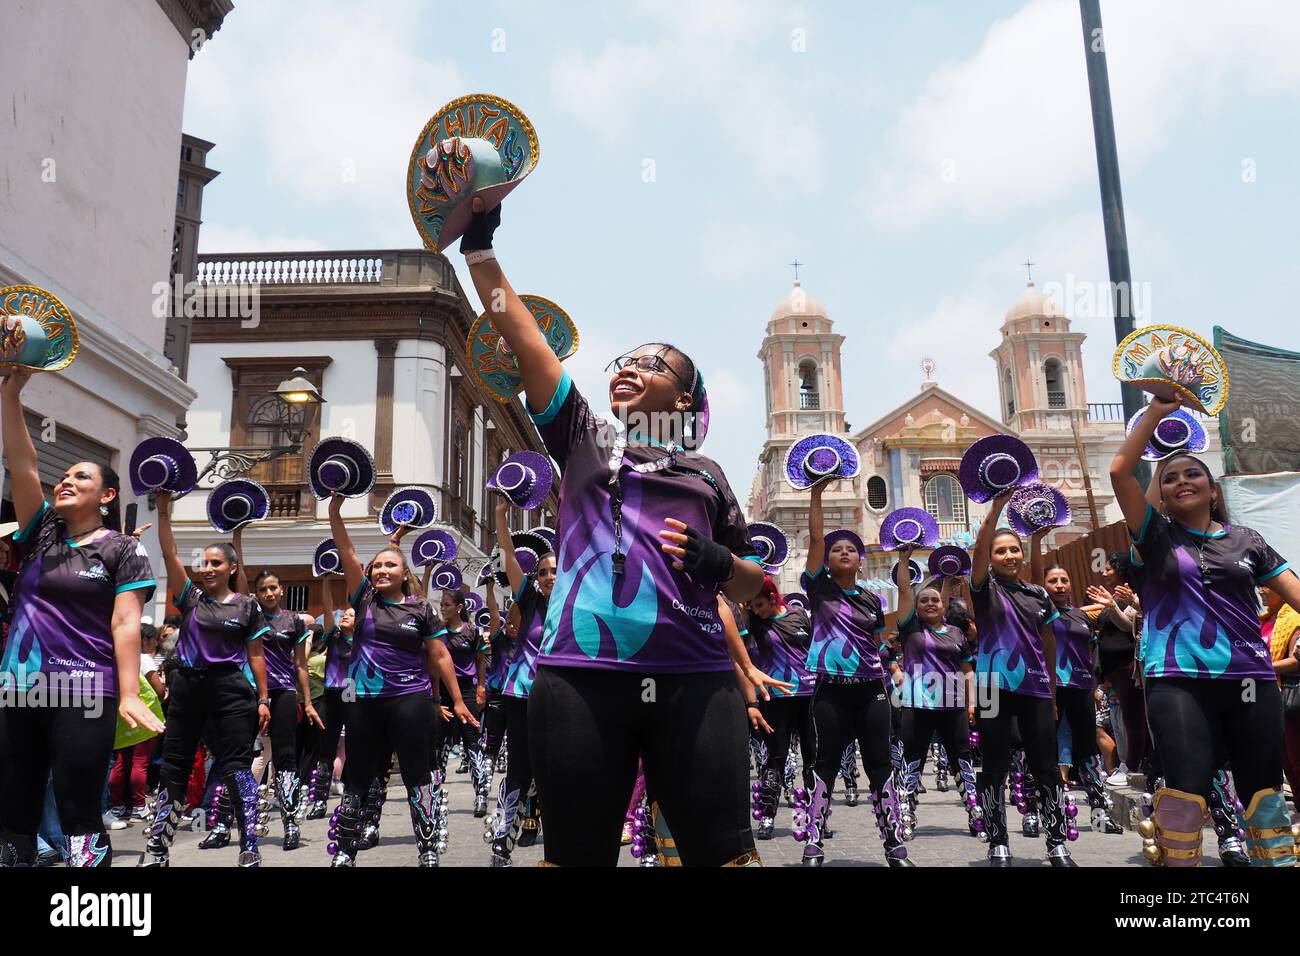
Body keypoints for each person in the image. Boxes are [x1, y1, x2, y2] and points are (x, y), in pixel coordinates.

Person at [461, 194, 768, 866]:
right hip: (580, 677)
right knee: (578, 856)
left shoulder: (710, 473)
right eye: (625, 361)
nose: (631, 367)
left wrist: (717, 559)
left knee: (721, 855)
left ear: (684, 399)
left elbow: (750, 586)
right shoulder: (581, 438)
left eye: (655, 364)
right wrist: (480, 249)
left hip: (697, 679)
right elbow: (524, 338)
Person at [1114, 395, 1300, 866]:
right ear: (1162, 494)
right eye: (1169, 477)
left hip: (1250, 680)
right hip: (1177, 679)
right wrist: (1157, 411)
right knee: (1185, 795)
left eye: (1192, 473)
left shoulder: (1247, 541)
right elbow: (1120, 472)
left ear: (1213, 489)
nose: (1182, 480)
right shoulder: (1154, 538)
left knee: (1265, 791)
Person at [0, 368, 162, 867]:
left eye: (82, 477)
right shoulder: (40, 534)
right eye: (65, 476)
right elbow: (23, 461)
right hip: (18, 687)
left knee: (77, 810)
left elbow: (125, 623)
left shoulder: (121, 552)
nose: (67, 481)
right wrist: (11, 391)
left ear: (107, 496)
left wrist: (131, 692)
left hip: (85, 689)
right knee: (13, 809)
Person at [324, 492, 476, 867]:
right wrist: (334, 510)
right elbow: (346, 551)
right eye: (377, 567)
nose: (381, 571)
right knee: (358, 774)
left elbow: (440, 656)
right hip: (365, 703)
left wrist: (456, 700)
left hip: (411, 700)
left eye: (390, 565)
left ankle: (426, 848)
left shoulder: (421, 608)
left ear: (404, 573)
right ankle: (345, 849)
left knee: (416, 774)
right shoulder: (363, 600)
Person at [141, 490, 271, 867]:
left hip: (230, 689)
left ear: (232, 568)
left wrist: (263, 699)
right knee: (174, 766)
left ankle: (249, 843)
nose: (208, 568)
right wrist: (165, 511)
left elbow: (256, 655)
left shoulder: (247, 606)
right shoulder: (190, 598)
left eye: (217, 563)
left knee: (235, 765)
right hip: (187, 688)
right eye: (205, 563)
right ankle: (157, 850)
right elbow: (169, 553)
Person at [794, 476, 911, 867]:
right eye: (836, 549)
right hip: (829, 689)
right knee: (823, 763)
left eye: (851, 550)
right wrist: (816, 493)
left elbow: (878, 643)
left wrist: (892, 665)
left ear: (861, 561)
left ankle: (895, 848)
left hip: (871, 691)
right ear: (827, 560)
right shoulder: (819, 589)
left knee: (880, 764)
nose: (844, 552)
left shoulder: (872, 600)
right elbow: (814, 540)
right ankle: (813, 846)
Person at [969, 491, 1073, 867]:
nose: (1009, 556)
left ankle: (1057, 842)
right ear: (991, 559)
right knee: (995, 764)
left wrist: (1053, 692)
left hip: (1035, 688)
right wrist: (996, 508)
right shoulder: (983, 590)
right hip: (991, 689)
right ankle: (998, 840)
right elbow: (980, 549)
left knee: (1045, 764)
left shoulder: (1039, 595)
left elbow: (1048, 644)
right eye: (1001, 552)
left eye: (1014, 550)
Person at [1028, 537, 1124, 836]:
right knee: (1042, 750)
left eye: (1064, 580)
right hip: (1048, 689)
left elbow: (1089, 653)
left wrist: (1095, 687)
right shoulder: (1039, 613)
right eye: (1053, 581)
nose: (1059, 585)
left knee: (1087, 750)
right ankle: (1034, 812)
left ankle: (1099, 812)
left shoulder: (1081, 616)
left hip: (1081, 688)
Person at [487, 493, 557, 865]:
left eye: (554, 571)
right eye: (543, 572)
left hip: (562, 700)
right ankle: (503, 839)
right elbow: (510, 556)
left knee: (559, 766)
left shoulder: (578, 601)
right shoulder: (528, 599)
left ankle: (563, 840)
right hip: (521, 694)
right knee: (519, 768)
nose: (548, 577)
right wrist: (501, 516)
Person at [891, 559, 980, 838]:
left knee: (961, 759)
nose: (930, 604)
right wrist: (904, 559)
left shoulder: (956, 633)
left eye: (935, 600)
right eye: (924, 601)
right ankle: (906, 814)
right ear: (916, 609)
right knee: (912, 758)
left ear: (943, 605)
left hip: (953, 706)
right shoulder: (911, 630)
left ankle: (975, 814)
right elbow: (905, 592)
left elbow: (967, 671)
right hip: (917, 705)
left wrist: (972, 702)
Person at [745, 576, 814, 841]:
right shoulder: (752, 623)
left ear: (774, 598)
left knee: (813, 759)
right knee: (775, 758)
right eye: (752, 606)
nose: (756, 610)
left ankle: (811, 818)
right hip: (775, 697)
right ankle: (767, 817)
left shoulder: (800, 616)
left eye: (759, 604)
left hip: (808, 695)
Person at [1090, 555, 1143, 786]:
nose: (1104, 573)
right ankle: (1126, 762)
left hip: (1129, 667)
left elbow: (1126, 625)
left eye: (1109, 568)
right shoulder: (1114, 596)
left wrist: (1116, 605)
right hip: (1113, 673)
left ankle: (1132, 765)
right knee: (1118, 721)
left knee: (1133, 720)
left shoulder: (1134, 593)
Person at [437, 588, 490, 817]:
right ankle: (435, 794)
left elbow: (481, 660)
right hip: (443, 692)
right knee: (440, 743)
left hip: (467, 690)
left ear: (459, 607)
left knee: (472, 740)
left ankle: (480, 794)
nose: (442, 608)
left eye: (446, 605)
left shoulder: (472, 632)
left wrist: (480, 687)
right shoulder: (437, 631)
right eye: (441, 604)